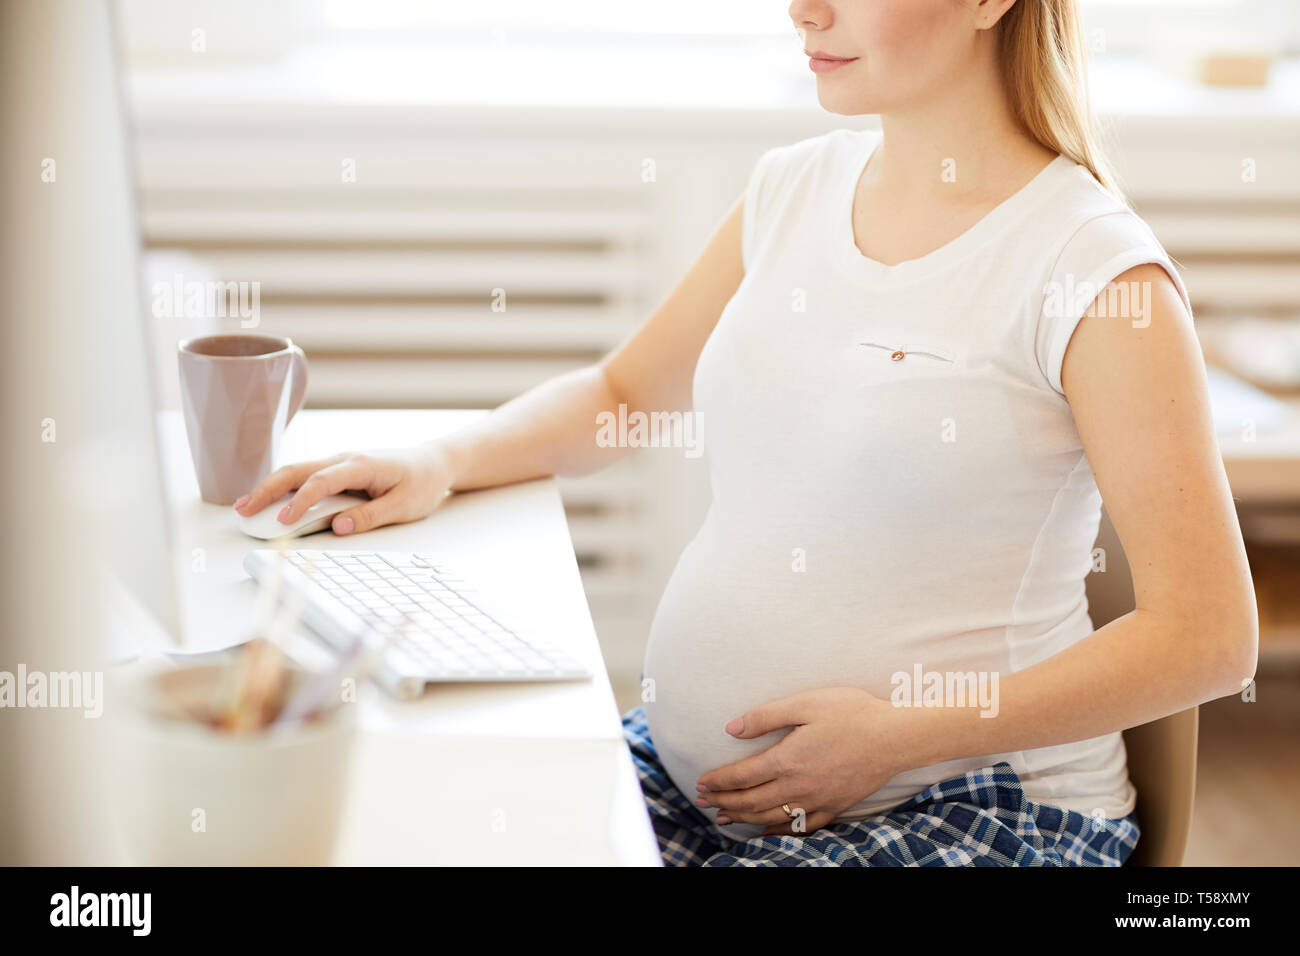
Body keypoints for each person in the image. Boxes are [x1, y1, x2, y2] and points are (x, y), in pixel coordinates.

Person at [235, 0, 1257, 866]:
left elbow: (1207, 637)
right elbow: (621, 387)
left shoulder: (1093, 269)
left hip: (967, 804)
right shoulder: (793, 188)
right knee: (422, 829)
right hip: (715, 788)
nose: (802, 6)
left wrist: (896, 735)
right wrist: (441, 459)